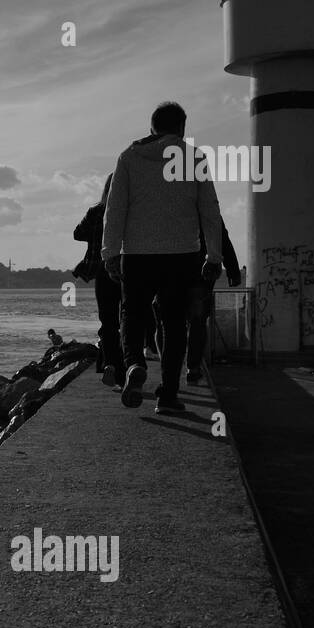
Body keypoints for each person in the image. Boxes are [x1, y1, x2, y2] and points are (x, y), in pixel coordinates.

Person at [102, 101, 224, 414]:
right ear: (182, 128)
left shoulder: (129, 157)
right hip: (183, 254)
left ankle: (134, 365)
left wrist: (110, 252)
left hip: (138, 254)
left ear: (152, 127)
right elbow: (209, 209)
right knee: (174, 324)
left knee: (132, 313)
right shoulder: (193, 157)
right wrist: (213, 254)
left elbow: (115, 208)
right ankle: (168, 395)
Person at [74, 174, 124, 387]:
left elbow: (78, 233)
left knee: (108, 320)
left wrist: (96, 237)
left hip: (103, 270)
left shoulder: (96, 212)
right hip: (129, 269)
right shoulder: (131, 213)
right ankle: (127, 365)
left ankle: (109, 362)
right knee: (131, 319)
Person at [186, 217, 242, 383]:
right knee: (197, 323)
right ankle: (193, 367)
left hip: (174, 273)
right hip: (202, 276)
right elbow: (223, 239)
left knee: (170, 322)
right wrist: (233, 272)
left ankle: (167, 370)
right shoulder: (208, 211)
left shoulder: (176, 206)